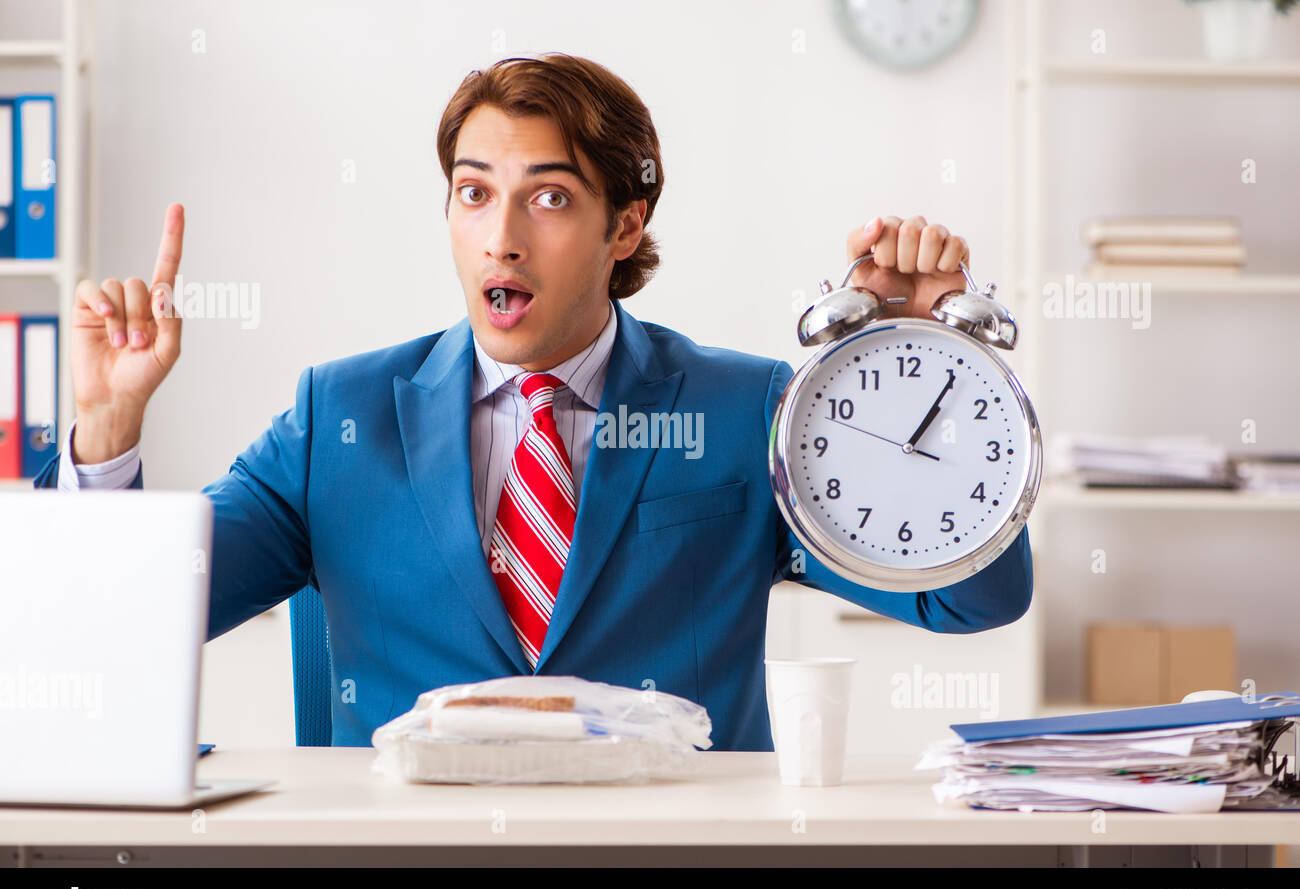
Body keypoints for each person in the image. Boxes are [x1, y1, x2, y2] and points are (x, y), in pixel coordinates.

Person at [35, 53, 1032, 750]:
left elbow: (969, 598)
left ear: (624, 225)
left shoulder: (747, 410)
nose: (500, 237)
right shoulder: (337, 417)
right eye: (474, 193)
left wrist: (934, 358)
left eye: (548, 198)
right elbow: (116, 624)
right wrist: (109, 429)